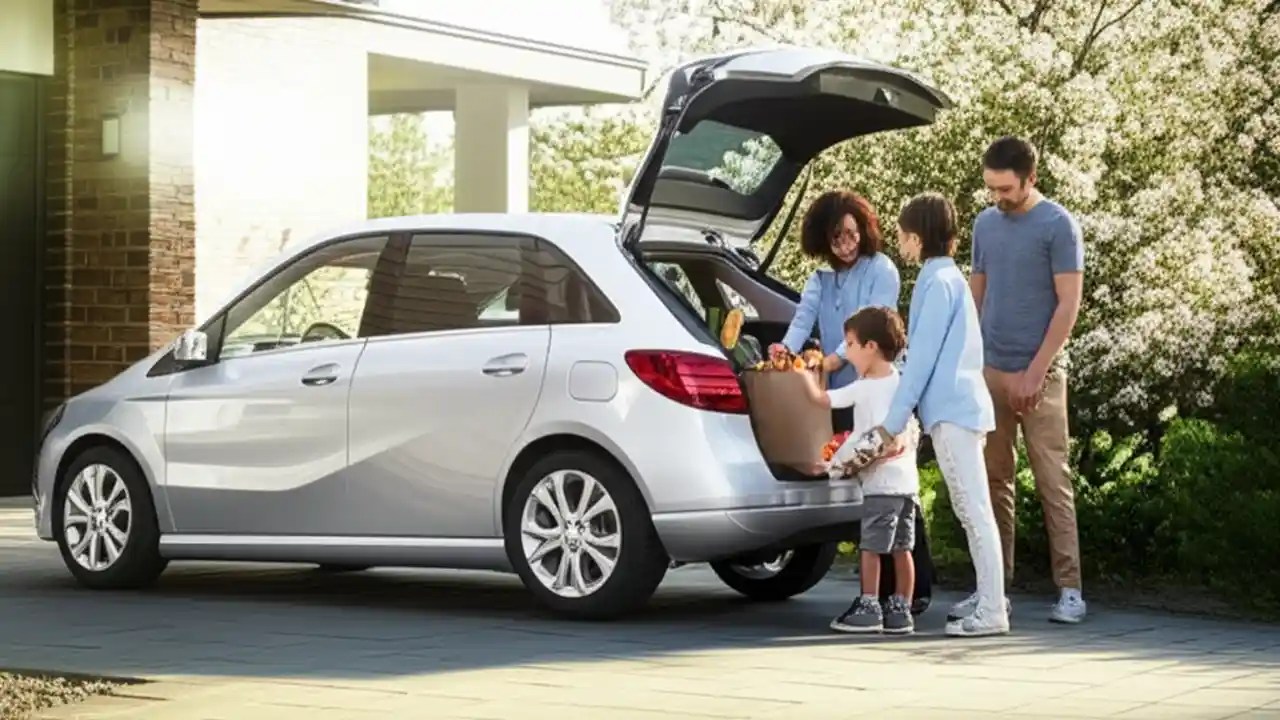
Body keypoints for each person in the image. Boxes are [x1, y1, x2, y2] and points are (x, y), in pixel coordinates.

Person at [766, 190, 932, 612]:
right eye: (836, 238)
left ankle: (913, 590)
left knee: (895, 482)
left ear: (864, 230)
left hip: (880, 390)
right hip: (842, 394)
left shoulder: (883, 270)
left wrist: (836, 356)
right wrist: (784, 350)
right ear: (824, 240)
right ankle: (878, 592)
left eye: (851, 234)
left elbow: (877, 320)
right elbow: (802, 318)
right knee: (866, 485)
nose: (845, 244)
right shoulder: (820, 279)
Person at [872, 192, 1010, 637]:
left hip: (952, 412)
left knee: (973, 511)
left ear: (915, 237)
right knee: (976, 509)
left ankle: (992, 610)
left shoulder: (934, 281)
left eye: (902, 236)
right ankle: (990, 595)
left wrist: (891, 422)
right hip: (965, 406)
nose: (900, 244)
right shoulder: (950, 277)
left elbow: (923, 357)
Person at [962, 136, 1087, 625]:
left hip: (1043, 374)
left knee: (1053, 480)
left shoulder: (1058, 225)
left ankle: (1071, 590)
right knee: (994, 482)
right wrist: (969, 363)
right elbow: (976, 295)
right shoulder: (986, 224)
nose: (998, 197)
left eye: (1007, 188)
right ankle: (996, 589)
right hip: (990, 372)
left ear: (1031, 178)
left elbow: (1068, 304)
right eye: (991, 188)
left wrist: (1036, 372)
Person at [805, 307, 921, 635]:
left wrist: (807, 382)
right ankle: (901, 609)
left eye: (850, 344)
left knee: (871, 547)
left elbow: (826, 402)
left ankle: (869, 604)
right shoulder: (901, 382)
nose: (847, 351)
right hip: (907, 485)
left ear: (870, 347)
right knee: (902, 548)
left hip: (881, 486)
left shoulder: (864, 387)